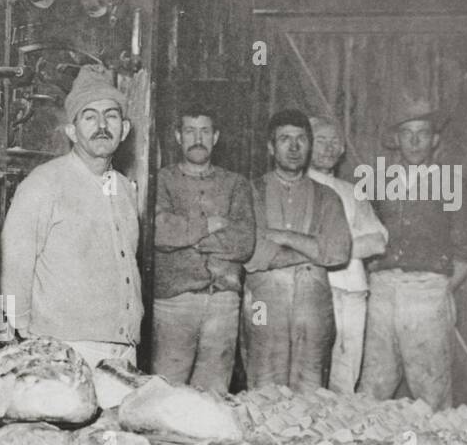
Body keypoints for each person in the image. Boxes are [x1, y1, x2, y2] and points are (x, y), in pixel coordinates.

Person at [0, 67, 142, 367]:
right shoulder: (43, 184)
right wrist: (24, 335)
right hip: (66, 351)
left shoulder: (126, 189)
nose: (102, 125)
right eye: (89, 117)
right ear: (71, 131)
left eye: (111, 116)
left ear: (125, 130)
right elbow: (14, 268)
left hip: (124, 351)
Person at [359, 98, 467, 410]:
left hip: (428, 289)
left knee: (431, 388)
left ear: (434, 139)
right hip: (382, 289)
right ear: (395, 139)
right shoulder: (377, 179)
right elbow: (362, 234)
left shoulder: (450, 180)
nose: (413, 141)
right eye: (406, 133)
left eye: (422, 133)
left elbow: (466, 250)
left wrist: (437, 291)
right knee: (374, 383)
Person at [241, 108, 352, 390]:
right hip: (263, 302)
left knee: (311, 384)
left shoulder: (328, 197)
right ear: (270, 147)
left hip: (312, 301)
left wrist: (284, 236)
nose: (293, 147)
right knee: (264, 381)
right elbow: (251, 254)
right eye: (284, 139)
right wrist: (313, 250)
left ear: (309, 145)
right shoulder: (250, 192)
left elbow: (338, 252)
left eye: (300, 139)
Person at [150, 105, 255, 391]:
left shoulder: (235, 184)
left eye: (205, 131)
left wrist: (186, 236)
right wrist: (211, 225)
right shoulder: (161, 180)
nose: (198, 139)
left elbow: (244, 243)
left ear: (216, 136)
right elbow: (159, 231)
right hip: (174, 302)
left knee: (213, 395)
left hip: (223, 300)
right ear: (177, 136)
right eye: (189, 131)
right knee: (166, 393)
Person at [307, 115, 388, 393]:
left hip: (352, 291)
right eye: (321, 141)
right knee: (310, 372)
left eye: (335, 142)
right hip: (314, 290)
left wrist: (332, 247)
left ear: (342, 149)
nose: (329, 148)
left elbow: (377, 241)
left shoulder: (352, 192)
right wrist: (351, 243)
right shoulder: (298, 187)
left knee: (346, 372)